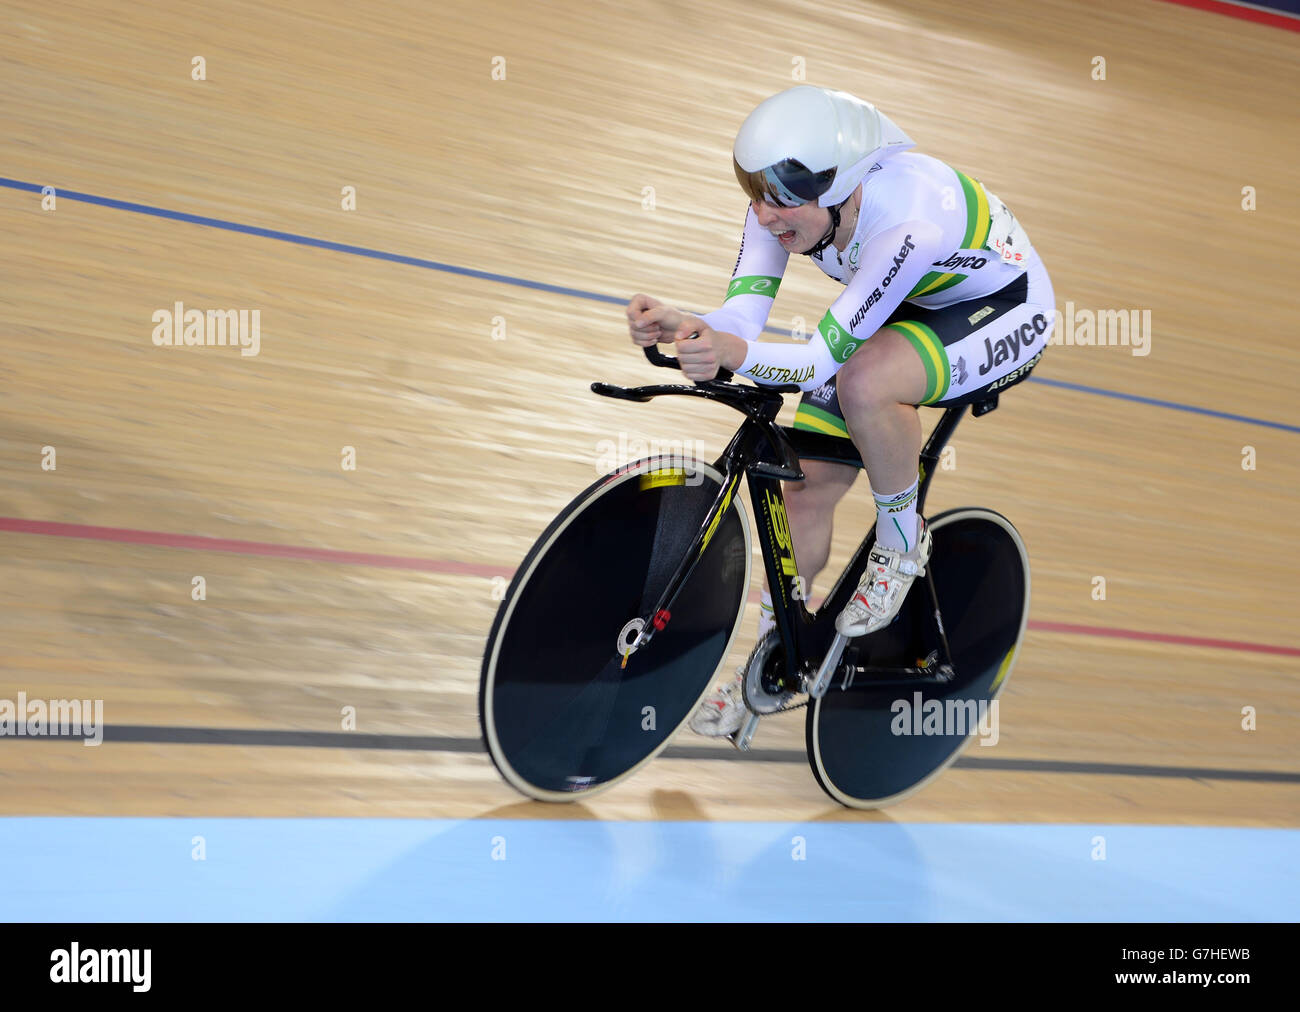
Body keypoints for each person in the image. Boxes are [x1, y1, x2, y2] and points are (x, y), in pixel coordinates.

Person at [625, 85, 1054, 737]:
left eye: (782, 200)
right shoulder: (783, 207)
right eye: (756, 194)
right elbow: (742, 318)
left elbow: (821, 360)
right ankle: (770, 666)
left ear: (843, 185)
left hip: (1001, 306)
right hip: (904, 302)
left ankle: (902, 543)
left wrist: (731, 352)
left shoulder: (907, 218)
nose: (766, 216)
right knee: (805, 490)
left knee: (865, 381)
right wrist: (689, 323)